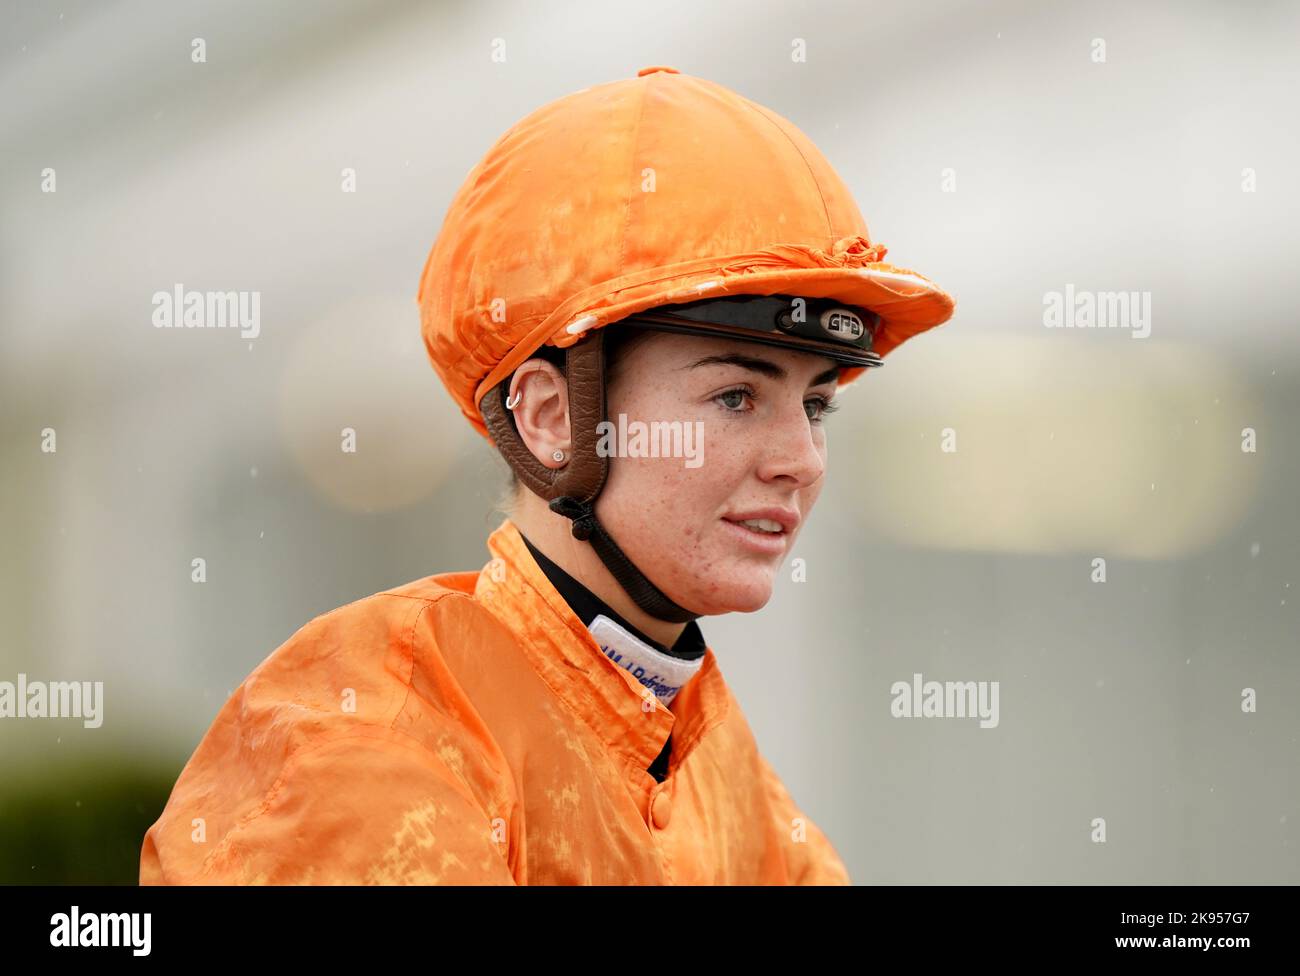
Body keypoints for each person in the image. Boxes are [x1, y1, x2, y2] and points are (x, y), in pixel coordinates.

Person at [139, 66, 953, 885]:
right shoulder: (374, 735)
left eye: (817, 407)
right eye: (736, 396)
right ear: (551, 417)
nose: (802, 462)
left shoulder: (714, 760)